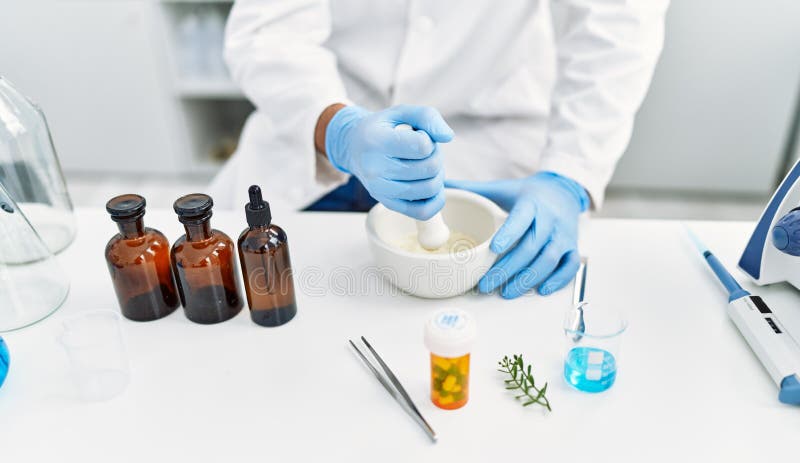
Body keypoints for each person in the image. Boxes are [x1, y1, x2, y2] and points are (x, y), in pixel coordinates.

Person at [210, 0, 669, 298]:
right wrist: (339, 130)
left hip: (489, 128)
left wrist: (568, 176)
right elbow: (266, 29)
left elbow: (619, 21)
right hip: (315, 119)